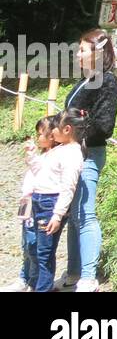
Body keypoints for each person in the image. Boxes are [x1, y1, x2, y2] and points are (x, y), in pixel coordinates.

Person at [59, 29, 117, 292]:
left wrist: (78, 140)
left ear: (98, 52)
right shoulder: (85, 81)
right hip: (71, 153)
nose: (78, 53)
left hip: (88, 154)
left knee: (85, 213)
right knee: (74, 214)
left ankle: (88, 275)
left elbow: (104, 124)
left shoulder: (107, 81)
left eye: (83, 49)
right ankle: (73, 270)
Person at [13, 112, 85, 292]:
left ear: (67, 129)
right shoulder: (58, 150)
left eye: (55, 127)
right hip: (39, 200)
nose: (52, 131)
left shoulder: (72, 154)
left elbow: (68, 187)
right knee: (35, 248)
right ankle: (35, 284)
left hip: (50, 204)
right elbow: (42, 172)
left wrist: (57, 215)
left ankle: (42, 289)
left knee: (44, 254)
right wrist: (31, 156)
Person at [3, 115, 59, 293]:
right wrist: (32, 155)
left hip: (39, 202)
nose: (37, 137)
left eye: (41, 134)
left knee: (35, 244)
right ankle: (24, 277)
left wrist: (33, 156)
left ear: (52, 136)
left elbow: (44, 176)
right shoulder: (44, 154)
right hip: (27, 200)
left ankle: (34, 281)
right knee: (26, 242)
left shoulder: (55, 156)